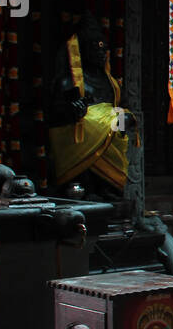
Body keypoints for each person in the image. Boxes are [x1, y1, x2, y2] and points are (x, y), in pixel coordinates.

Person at [47, 14, 129, 198]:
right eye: (95, 49)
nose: (101, 54)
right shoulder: (70, 82)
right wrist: (72, 111)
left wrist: (124, 121)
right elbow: (55, 116)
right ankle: (86, 187)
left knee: (118, 125)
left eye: (104, 49)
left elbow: (124, 109)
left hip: (110, 145)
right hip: (80, 149)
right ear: (83, 51)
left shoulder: (112, 84)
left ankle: (109, 185)